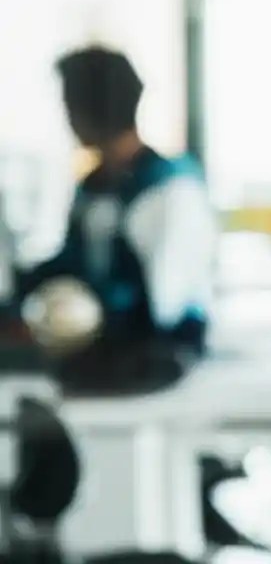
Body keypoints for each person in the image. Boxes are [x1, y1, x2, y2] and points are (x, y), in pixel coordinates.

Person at [18, 46, 217, 361]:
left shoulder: (169, 187)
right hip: (99, 354)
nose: (67, 116)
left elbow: (166, 303)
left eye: (70, 102)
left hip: (160, 359)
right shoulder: (94, 185)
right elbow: (74, 264)